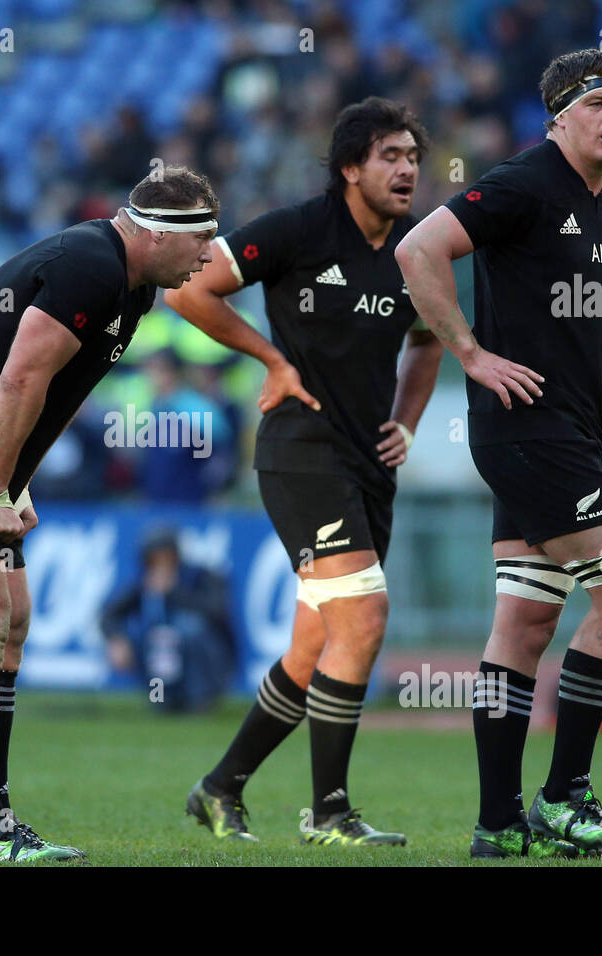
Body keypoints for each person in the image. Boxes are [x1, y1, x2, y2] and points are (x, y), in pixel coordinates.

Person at [0, 166, 223, 863]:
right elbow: (21, 376)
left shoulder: (137, 290)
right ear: (157, 234)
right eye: (203, 240)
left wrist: (19, 480)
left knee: (13, 621)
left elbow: (55, 395)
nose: (210, 256)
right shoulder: (91, 265)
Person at [396, 50, 602, 858]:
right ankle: (565, 799)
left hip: (569, 427)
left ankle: (499, 824)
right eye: (599, 102)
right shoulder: (522, 183)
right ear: (559, 116)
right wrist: (470, 356)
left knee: (527, 621)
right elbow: (417, 252)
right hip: (525, 429)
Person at [165, 97, 443, 847]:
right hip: (301, 454)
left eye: (413, 157)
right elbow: (187, 288)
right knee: (365, 618)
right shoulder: (298, 228)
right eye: (390, 156)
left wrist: (407, 422)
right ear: (350, 168)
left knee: (315, 646)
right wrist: (272, 359)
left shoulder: (416, 251)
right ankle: (329, 813)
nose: (408, 169)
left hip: (366, 465)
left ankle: (219, 788)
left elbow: (429, 341)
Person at [102, 527, 235, 712]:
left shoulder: (201, 577)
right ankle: (160, 698)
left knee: (188, 630)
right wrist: (116, 639)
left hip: (211, 658)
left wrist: (173, 593)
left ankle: (199, 700)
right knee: (152, 636)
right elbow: (109, 614)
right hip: (163, 659)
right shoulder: (145, 585)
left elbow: (217, 611)